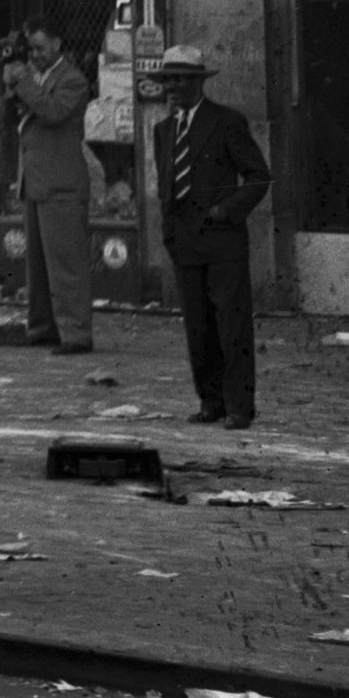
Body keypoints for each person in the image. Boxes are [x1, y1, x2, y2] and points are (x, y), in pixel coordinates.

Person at [144, 43, 271, 430]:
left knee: (232, 326)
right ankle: (210, 401)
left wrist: (226, 210)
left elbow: (258, 177)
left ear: (199, 82)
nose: (173, 87)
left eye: (180, 79)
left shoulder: (226, 122)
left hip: (222, 242)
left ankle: (239, 407)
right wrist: (168, 234)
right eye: (168, 80)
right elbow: (166, 189)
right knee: (198, 329)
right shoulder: (164, 131)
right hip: (185, 244)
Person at [0, 27, 96, 355]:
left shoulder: (73, 80)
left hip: (62, 183)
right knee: (38, 267)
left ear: (57, 43)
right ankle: (42, 327)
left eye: (40, 48)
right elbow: (11, 120)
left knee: (66, 265)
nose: (35, 55)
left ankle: (76, 333)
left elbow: (53, 112)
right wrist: (10, 87)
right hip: (35, 181)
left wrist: (23, 82)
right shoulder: (33, 77)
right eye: (31, 50)